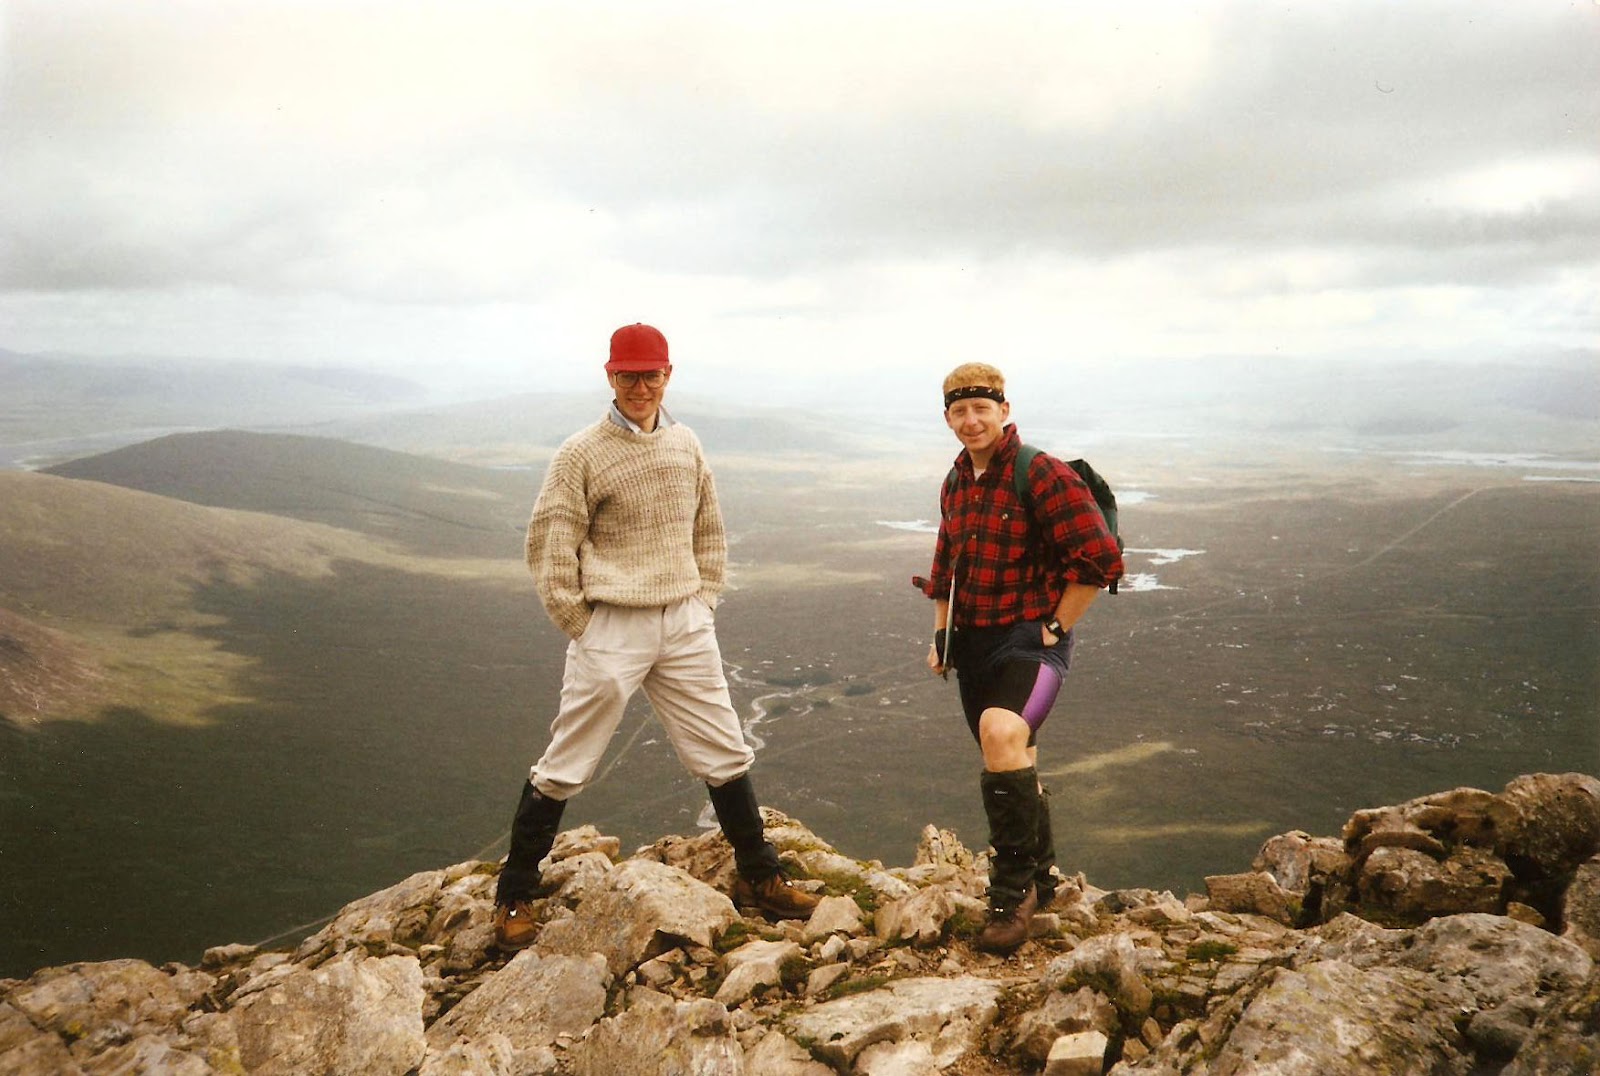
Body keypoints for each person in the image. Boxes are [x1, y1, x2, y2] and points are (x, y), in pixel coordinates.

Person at [492, 322, 819, 950]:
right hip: (613, 621)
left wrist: (704, 598)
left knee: (724, 748)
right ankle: (513, 895)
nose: (639, 386)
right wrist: (581, 623)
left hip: (684, 619)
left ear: (668, 375)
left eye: (651, 374)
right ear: (609, 376)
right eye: (627, 375)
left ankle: (759, 876)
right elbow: (550, 543)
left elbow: (710, 526)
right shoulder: (580, 453)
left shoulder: (686, 443)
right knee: (566, 762)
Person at [913, 362, 1123, 954]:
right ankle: (1043, 876)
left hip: (1031, 641)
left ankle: (1011, 897)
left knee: (1001, 733)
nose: (971, 420)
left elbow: (1101, 559)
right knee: (1013, 753)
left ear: (1004, 409)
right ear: (948, 417)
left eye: (982, 408)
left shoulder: (1042, 473)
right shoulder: (956, 482)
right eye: (959, 410)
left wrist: (1059, 624)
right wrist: (942, 635)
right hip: (975, 642)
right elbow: (945, 568)